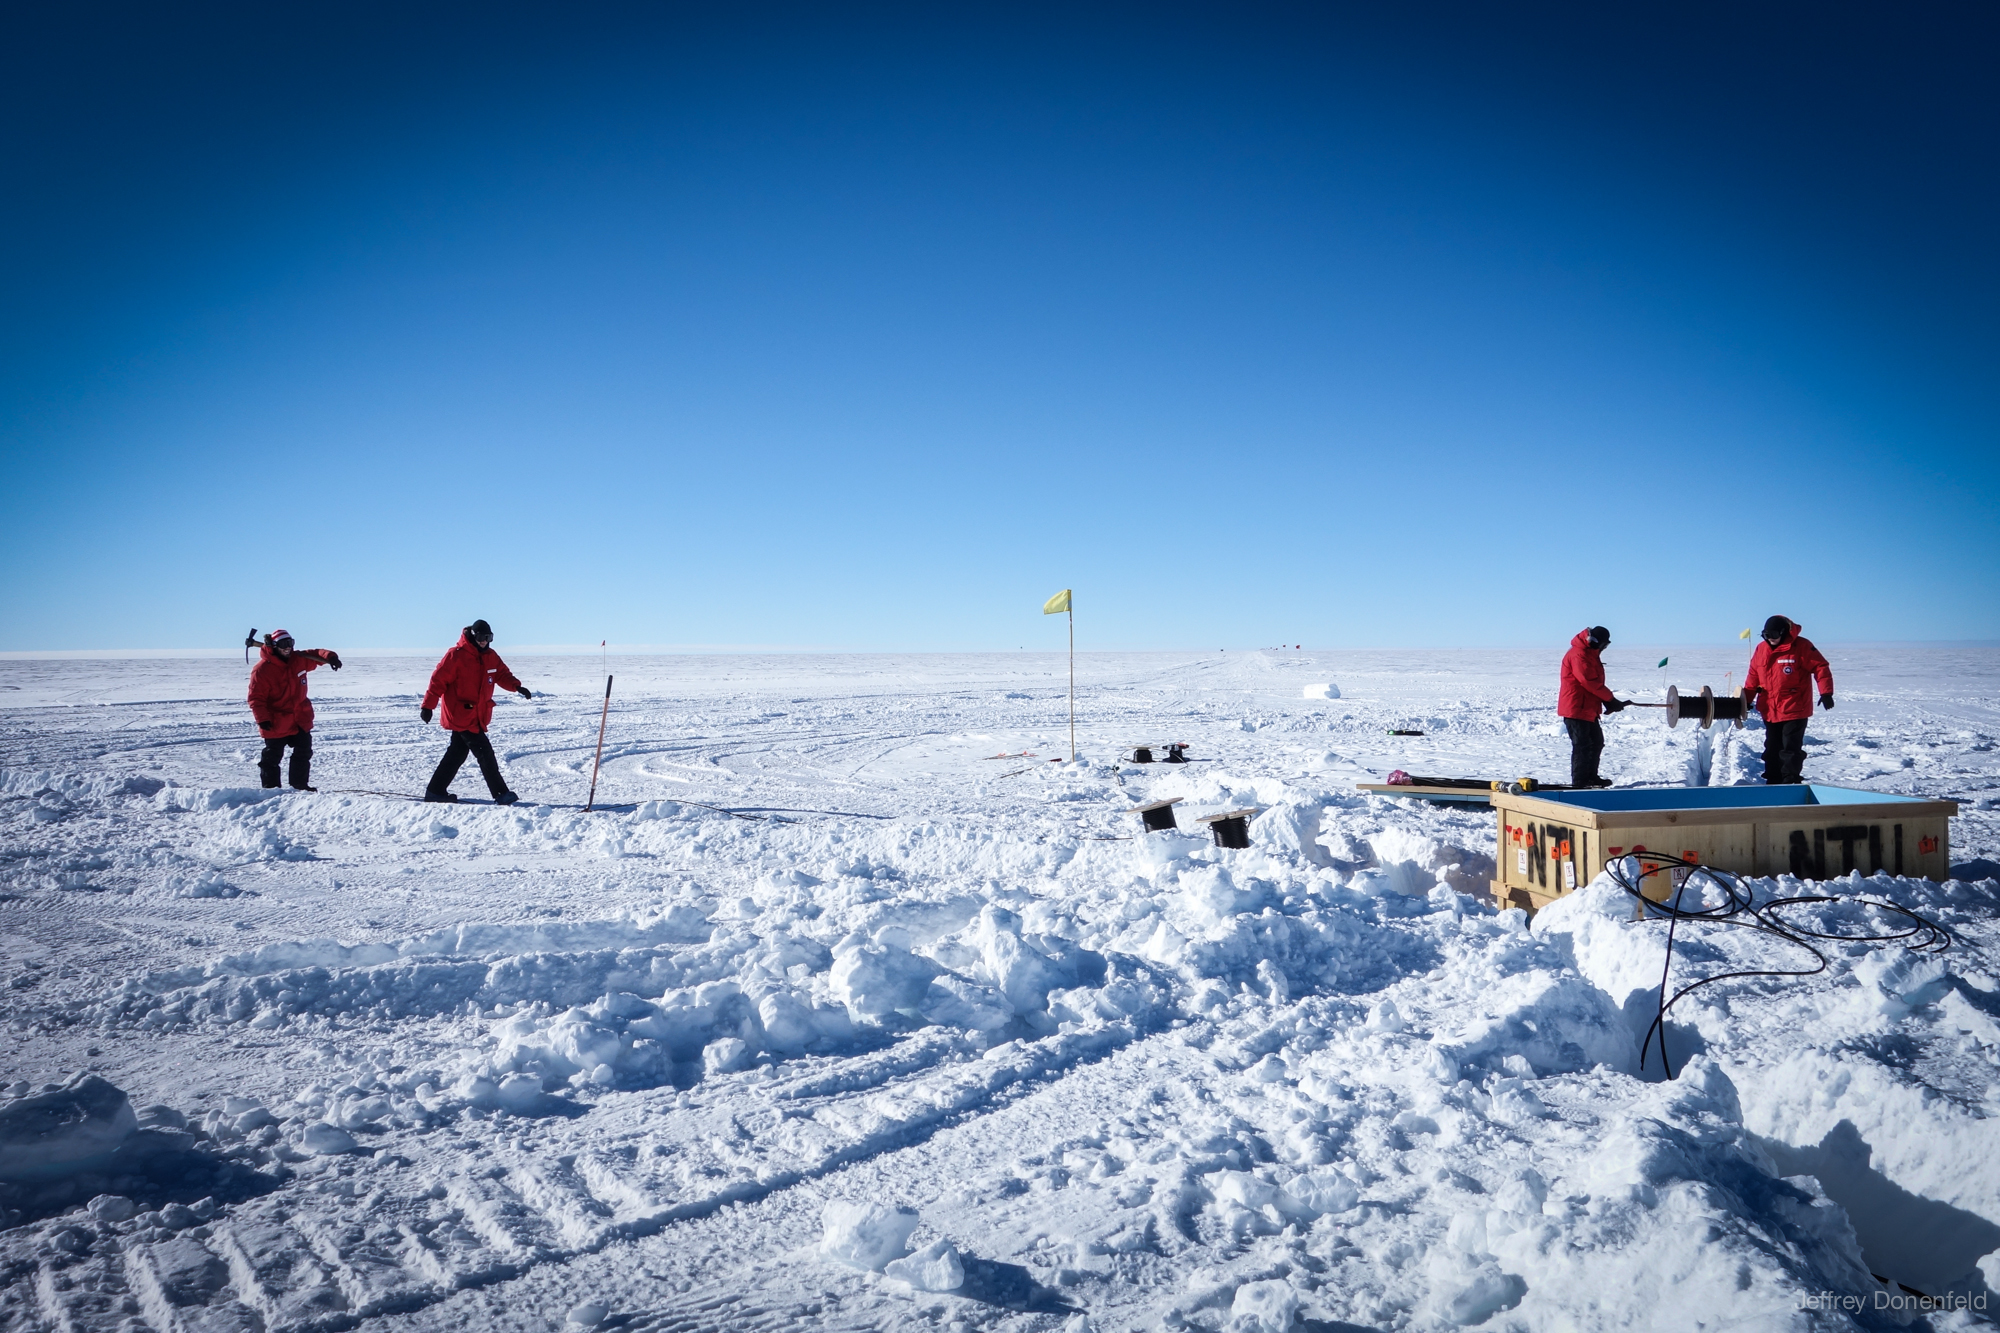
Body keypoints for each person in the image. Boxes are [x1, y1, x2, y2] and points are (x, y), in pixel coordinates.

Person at [420, 619, 531, 804]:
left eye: (488, 638)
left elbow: (502, 674)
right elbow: (437, 681)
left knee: (457, 753)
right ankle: (501, 793)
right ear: (473, 635)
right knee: (484, 752)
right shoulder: (455, 656)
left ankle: (435, 791)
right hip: (460, 715)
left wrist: (517, 687)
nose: (484, 641)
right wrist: (427, 706)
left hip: (477, 715)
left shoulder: (490, 656)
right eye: (481, 637)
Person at [1742, 615, 1834, 785]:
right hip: (1770, 709)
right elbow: (1753, 677)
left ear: (1783, 632)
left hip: (1795, 708)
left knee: (1789, 748)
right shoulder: (1761, 649)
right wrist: (1746, 700)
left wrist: (1826, 692)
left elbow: (1820, 667)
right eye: (1766, 635)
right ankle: (1773, 780)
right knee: (1772, 747)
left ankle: (1790, 782)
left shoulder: (1801, 646)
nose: (1770, 639)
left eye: (1774, 635)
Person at [246, 630, 343, 791]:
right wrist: (262, 719)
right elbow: (256, 698)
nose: (288, 648)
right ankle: (271, 790)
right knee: (271, 758)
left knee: (303, 753)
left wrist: (331, 657)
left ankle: (299, 787)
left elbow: (317, 653)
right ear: (274, 646)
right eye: (284, 645)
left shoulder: (298, 660)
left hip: (299, 718)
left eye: (290, 643)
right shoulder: (262, 670)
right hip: (276, 721)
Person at [1558, 625, 1627, 788]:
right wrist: (1610, 699)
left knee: (1596, 742)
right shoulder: (1579, 654)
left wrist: (1606, 701)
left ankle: (1591, 777)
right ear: (1595, 641)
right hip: (1576, 708)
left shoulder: (1590, 653)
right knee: (1582, 745)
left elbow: (1593, 683)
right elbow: (1588, 681)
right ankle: (1580, 782)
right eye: (1604, 644)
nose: (1604, 648)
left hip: (1588, 708)